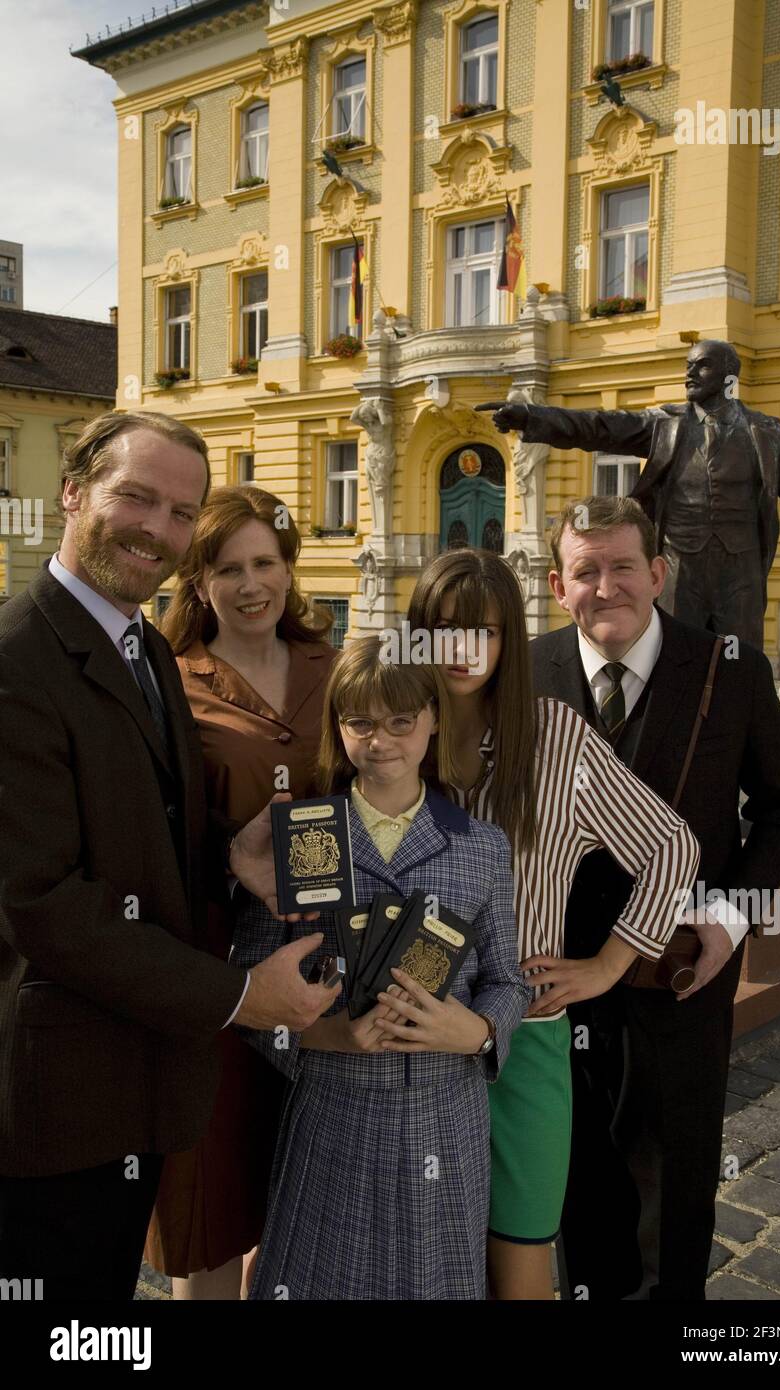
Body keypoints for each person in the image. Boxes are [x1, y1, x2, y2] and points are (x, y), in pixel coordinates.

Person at [0, 412, 338, 1301]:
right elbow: (43, 903)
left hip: (145, 1074)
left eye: (181, 512)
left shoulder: (144, 645)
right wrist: (238, 995)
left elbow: (147, 840)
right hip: (61, 1098)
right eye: (136, 497)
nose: (159, 527)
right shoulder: (16, 658)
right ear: (73, 492)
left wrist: (235, 856)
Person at [530, 495, 780, 1299]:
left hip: (683, 976)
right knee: (574, 1179)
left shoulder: (731, 670)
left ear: (658, 573)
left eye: (623, 566)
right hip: (558, 980)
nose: (606, 586)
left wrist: (732, 917)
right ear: (559, 585)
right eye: (586, 571)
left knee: (674, 1188)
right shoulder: (526, 669)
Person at [406, 549, 700, 1300]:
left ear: (510, 640)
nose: (463, 651)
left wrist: (607, 965)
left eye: (485, 632)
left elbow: (672, 846)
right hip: (413, 1035)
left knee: (522, 1255)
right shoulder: (398, 731)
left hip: (527, 1038)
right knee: (425, 1254)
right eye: (443, 630)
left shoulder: (552, 735)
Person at [231, 637, 530, 1301]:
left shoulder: (481, 847)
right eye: (360, 722)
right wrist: (326, 1034)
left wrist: (476, 1033)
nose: (381, 741)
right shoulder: (309, 837)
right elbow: (249, 991)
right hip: (333, 1117)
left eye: (401, 721)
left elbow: (510, 981)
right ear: (337, 728)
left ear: (431, 721)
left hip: (444, 1123)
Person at [143, 485, 337, 1300]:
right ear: (198, 582)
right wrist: (231, 855)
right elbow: (143, 837)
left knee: (315, 1204)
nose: (252, 584)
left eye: (266, 562)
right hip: (220, 983)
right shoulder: (170, 682)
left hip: (334, 980)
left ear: (290, 569)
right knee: (212, 1212)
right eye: (229, 568)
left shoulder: (339, 668)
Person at [477, 339, 780, 649]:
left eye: (702, 365)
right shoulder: (667, 424)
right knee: (673, 656)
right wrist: (532, 417)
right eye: (688, 366)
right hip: (679, 564)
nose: (690, 373)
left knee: (740, 660)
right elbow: (599, 426)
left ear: (729, 375)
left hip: (741, 568)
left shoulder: (765, 432)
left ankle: (738, 739)